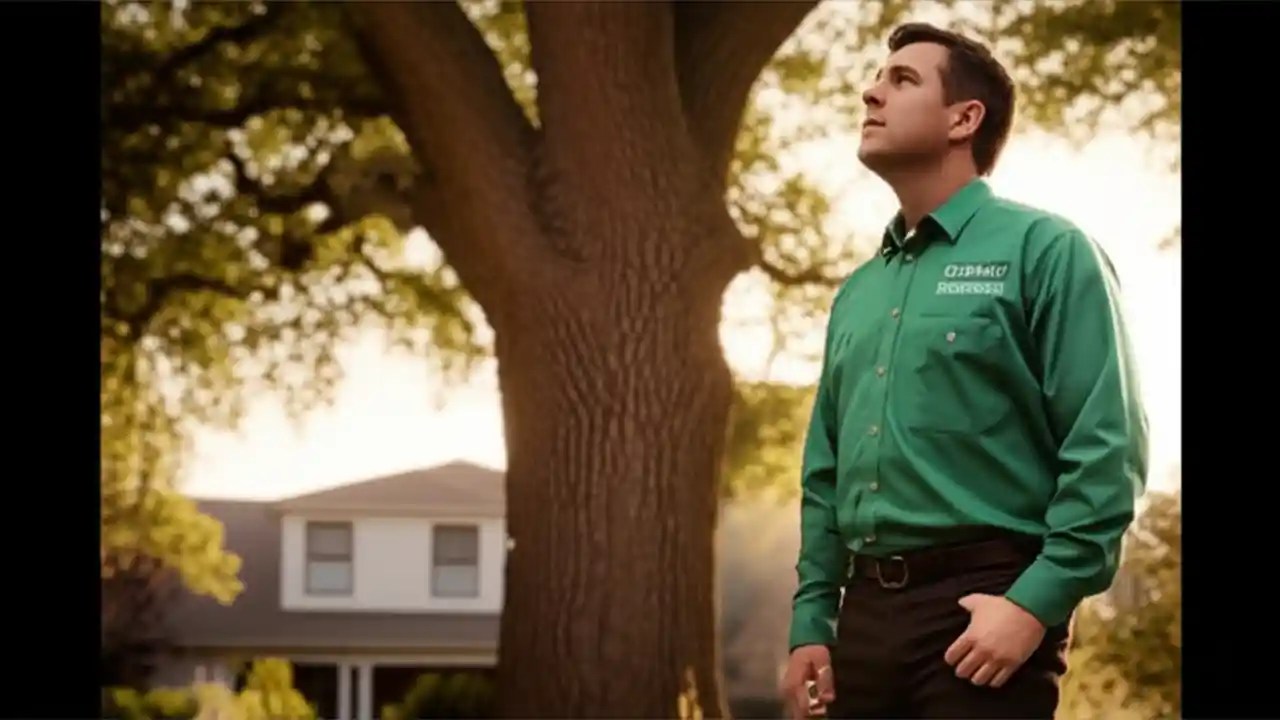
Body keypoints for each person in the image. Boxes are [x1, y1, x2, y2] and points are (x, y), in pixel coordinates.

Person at [779, 22, 1149, 720]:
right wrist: (812, 621)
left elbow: (1107, 442)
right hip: (862, 623)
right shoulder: (858, 292)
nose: (871, 90)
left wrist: (1034, 604)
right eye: (878, 77)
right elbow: (824, 473)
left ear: (964, 118)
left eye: (902, 79)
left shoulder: (1049, 251)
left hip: (984, 613)